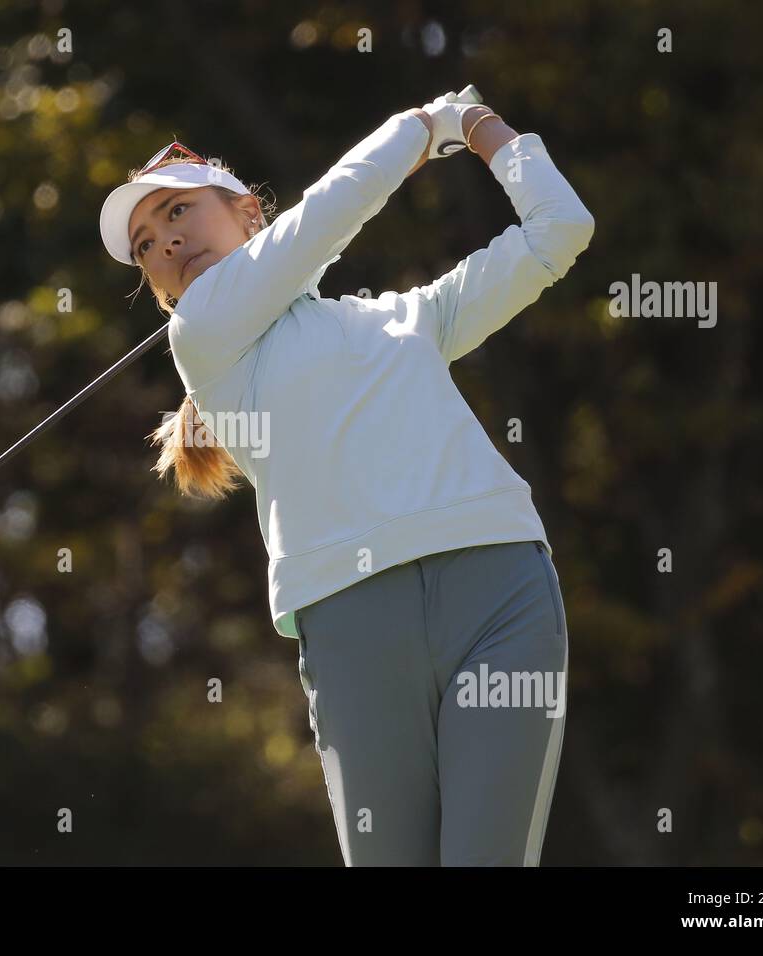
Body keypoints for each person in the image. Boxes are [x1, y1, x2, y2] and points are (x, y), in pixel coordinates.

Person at [98, 89, 594, 866]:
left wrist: (492, 133)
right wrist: (428, 125)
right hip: (353, 626)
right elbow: (329, 215)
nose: (162, 242)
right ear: (158, 290)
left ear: (247, 214)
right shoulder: (202, 338)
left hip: (500, 590)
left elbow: (559, 232)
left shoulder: (409, 318)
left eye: (177, 212)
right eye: (144, 245)